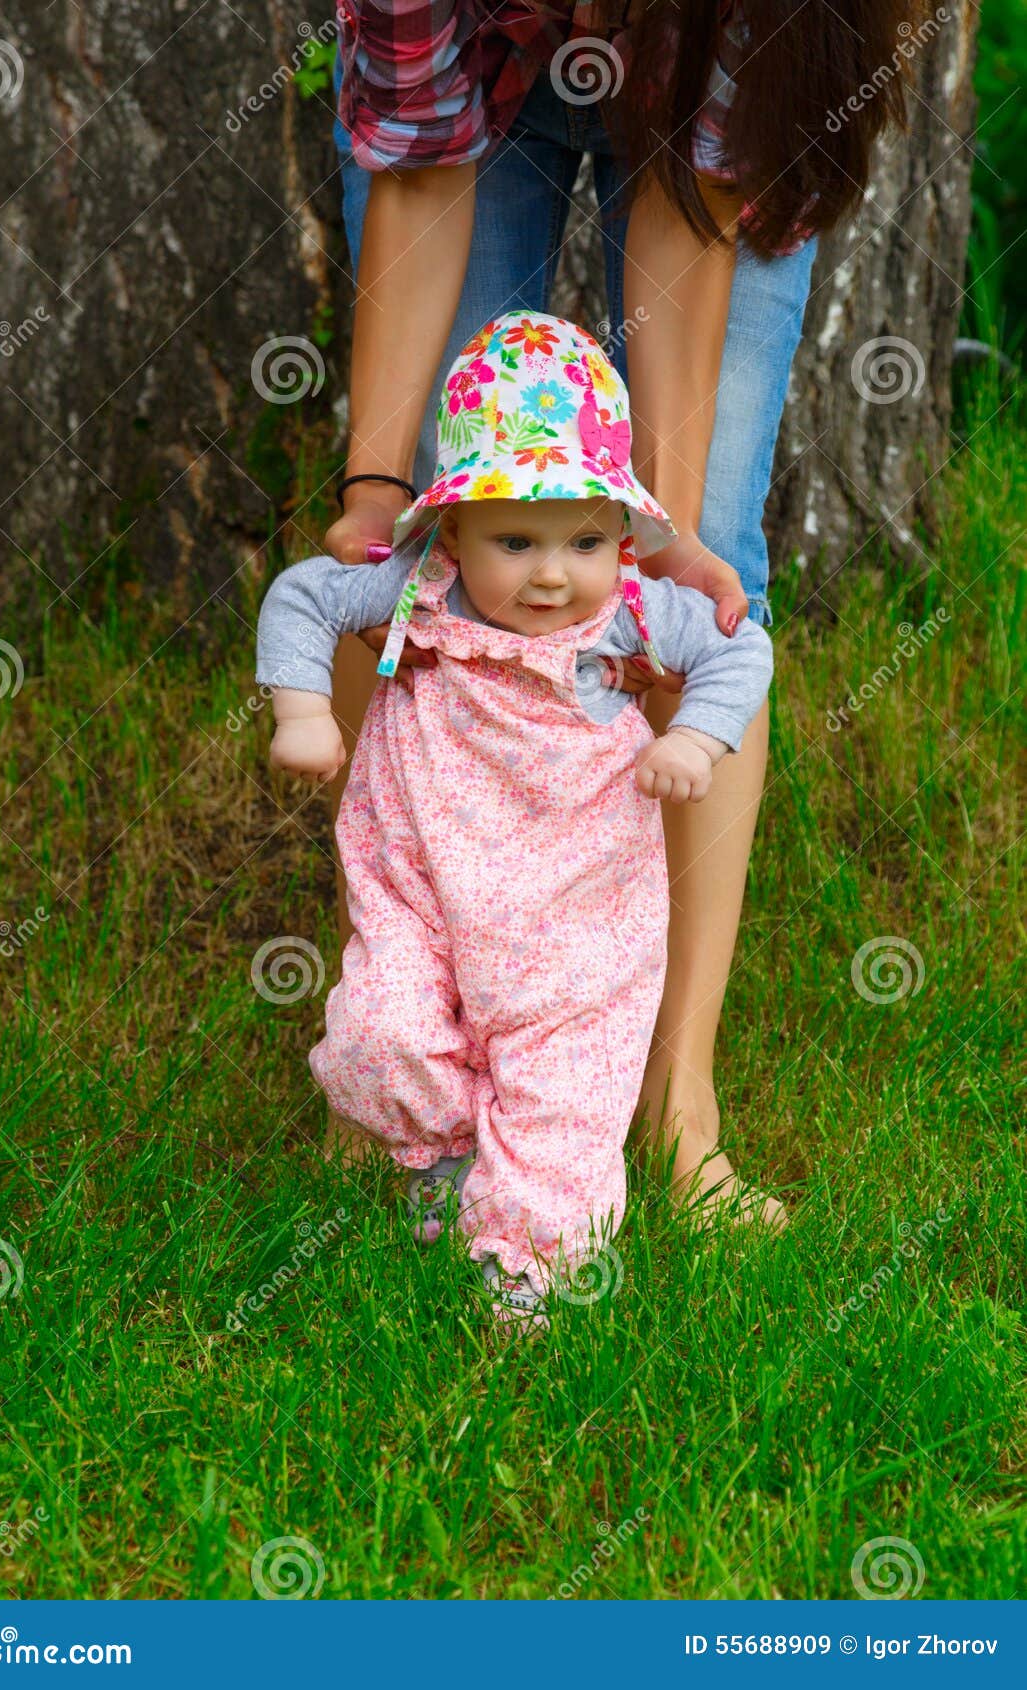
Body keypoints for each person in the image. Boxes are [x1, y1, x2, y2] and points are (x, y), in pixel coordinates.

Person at [322, 1, 913, 1221]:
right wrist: (379, 495)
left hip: (709, 75)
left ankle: (671, 1094)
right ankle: (411, 1071)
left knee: (712, 573)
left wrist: (658, 560)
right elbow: (425, 168)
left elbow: (692, 211)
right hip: (473, 86)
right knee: (427, 554)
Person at [257, 313, 775, 1325]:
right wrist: (303, 710)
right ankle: (447, 1150)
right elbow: (304, 596)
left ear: (622, 537)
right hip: (429, 893)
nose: (551, 573)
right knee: (379, 1036)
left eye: (584, 539)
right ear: (452, 531)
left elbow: (738, 649)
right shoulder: (417, 585)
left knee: (564, 1099)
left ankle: (521, 1266)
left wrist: (694, 738)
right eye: (516, 541)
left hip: (576, 917)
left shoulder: (628, 607)